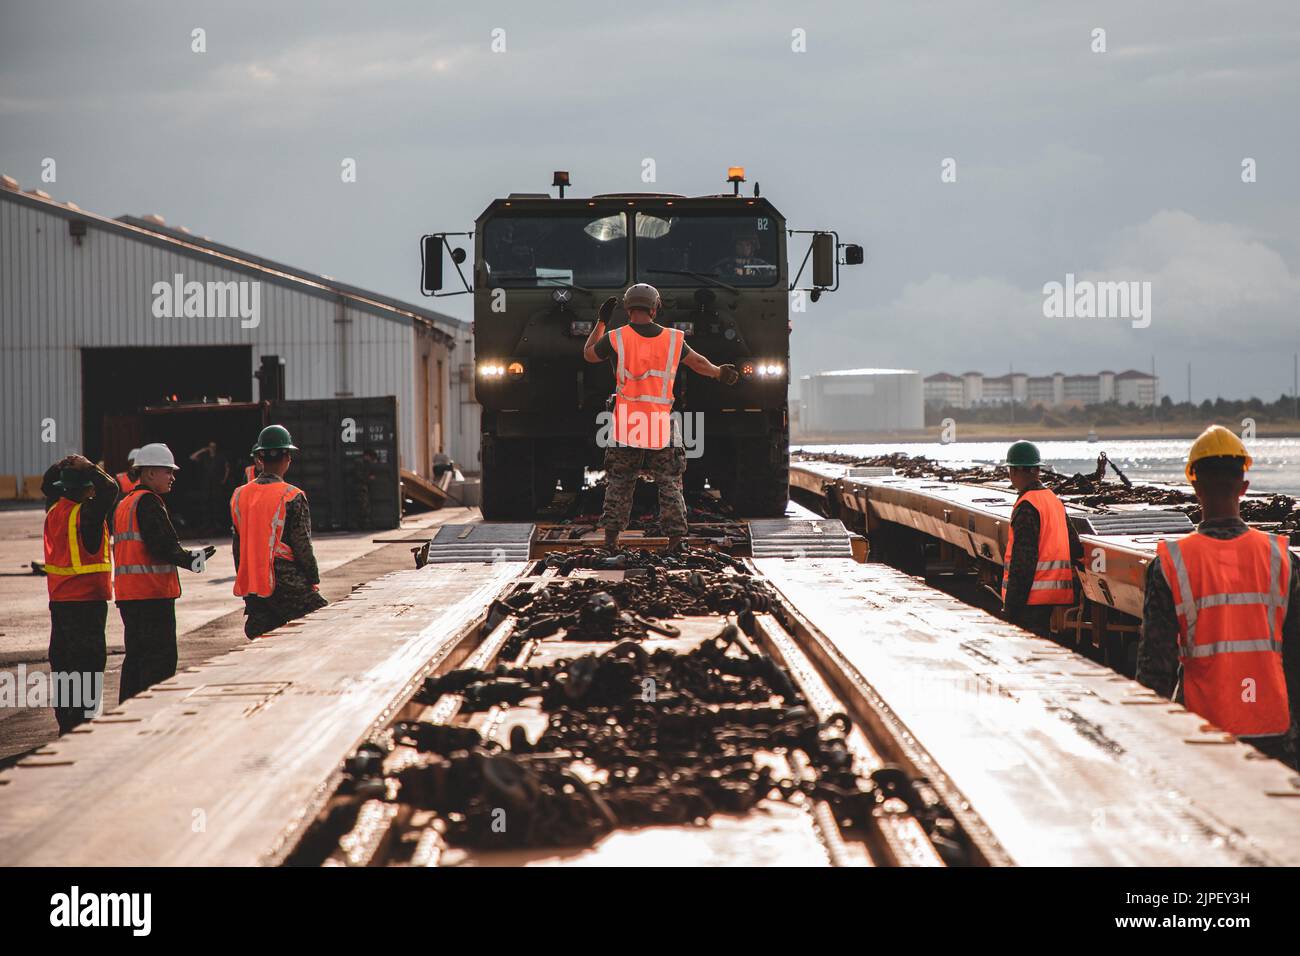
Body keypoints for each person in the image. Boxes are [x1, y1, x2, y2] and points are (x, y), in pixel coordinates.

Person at [1137, 425, 1299, 768]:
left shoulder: (1171, 564)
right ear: (1244, 488)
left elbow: (1156, 668)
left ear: (1195, 487)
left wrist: (1147, 742)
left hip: (1203, 727)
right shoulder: (1281, 559)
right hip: (1274, 727)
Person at [583, 283, 739, 550]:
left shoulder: (616, 337)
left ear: (628, 308)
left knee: (620, 482)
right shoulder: (673, 339)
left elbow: (588, 354)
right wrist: (718, 372)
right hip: (660, 422)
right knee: (669, 482)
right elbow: (699, 363)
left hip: (626, 424)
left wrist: (601, 322)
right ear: (655, 308)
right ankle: (676, 541)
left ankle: (611, 540)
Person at [111, 443, 216, 703]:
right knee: (159, 662)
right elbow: (161, 545)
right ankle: (151, 717)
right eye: (167, 471)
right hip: (151, 597)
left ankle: (127, 712)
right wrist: (192, 560)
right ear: (149, 473)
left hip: (130, 596)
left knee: (136, 659)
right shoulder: (148, 503)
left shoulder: (126, 503)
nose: (172, 477)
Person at [40, 454, 118, 732]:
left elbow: (47, 485)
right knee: (88, 665)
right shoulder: (86, 514)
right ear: (87, 488)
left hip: (60, 604)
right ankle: (82, 726)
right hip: (87, 606)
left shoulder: (54, 509)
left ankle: (66, 724)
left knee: (64, 665)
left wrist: (63, 465)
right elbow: (111, 489)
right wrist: (89, 466)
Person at [230, 425, 328, 638]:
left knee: (265, 635)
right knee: (325, 620)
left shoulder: (239, 496)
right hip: (285, 580)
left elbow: (237, 549)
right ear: (287, 458)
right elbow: (302, 545)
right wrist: (312, 579)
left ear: (260, 458)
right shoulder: (292, 495)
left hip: (254, 584)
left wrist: (247, 584)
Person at [1000, 440, 1084, 637]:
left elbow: (1023, 562)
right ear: (1037, 470)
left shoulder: (1027, 506)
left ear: (1016, 471)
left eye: (1010, 470)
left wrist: (1010, 608)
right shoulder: (1053, 500)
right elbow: (1075, 547)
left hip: (1029, 599)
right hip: (1051, 597)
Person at [189, 440, 230, 533]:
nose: (212, 448)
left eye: (214, 446)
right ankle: (206, 523)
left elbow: (227, 468)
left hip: (217, 483)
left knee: (217, 502)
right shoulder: (205, 456)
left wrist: (224, 479)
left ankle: (217, 524)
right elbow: (192, 457)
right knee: (206, 502)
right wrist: (202, 450)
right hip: (206, 483)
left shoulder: (220, 456)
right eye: (211, 446)